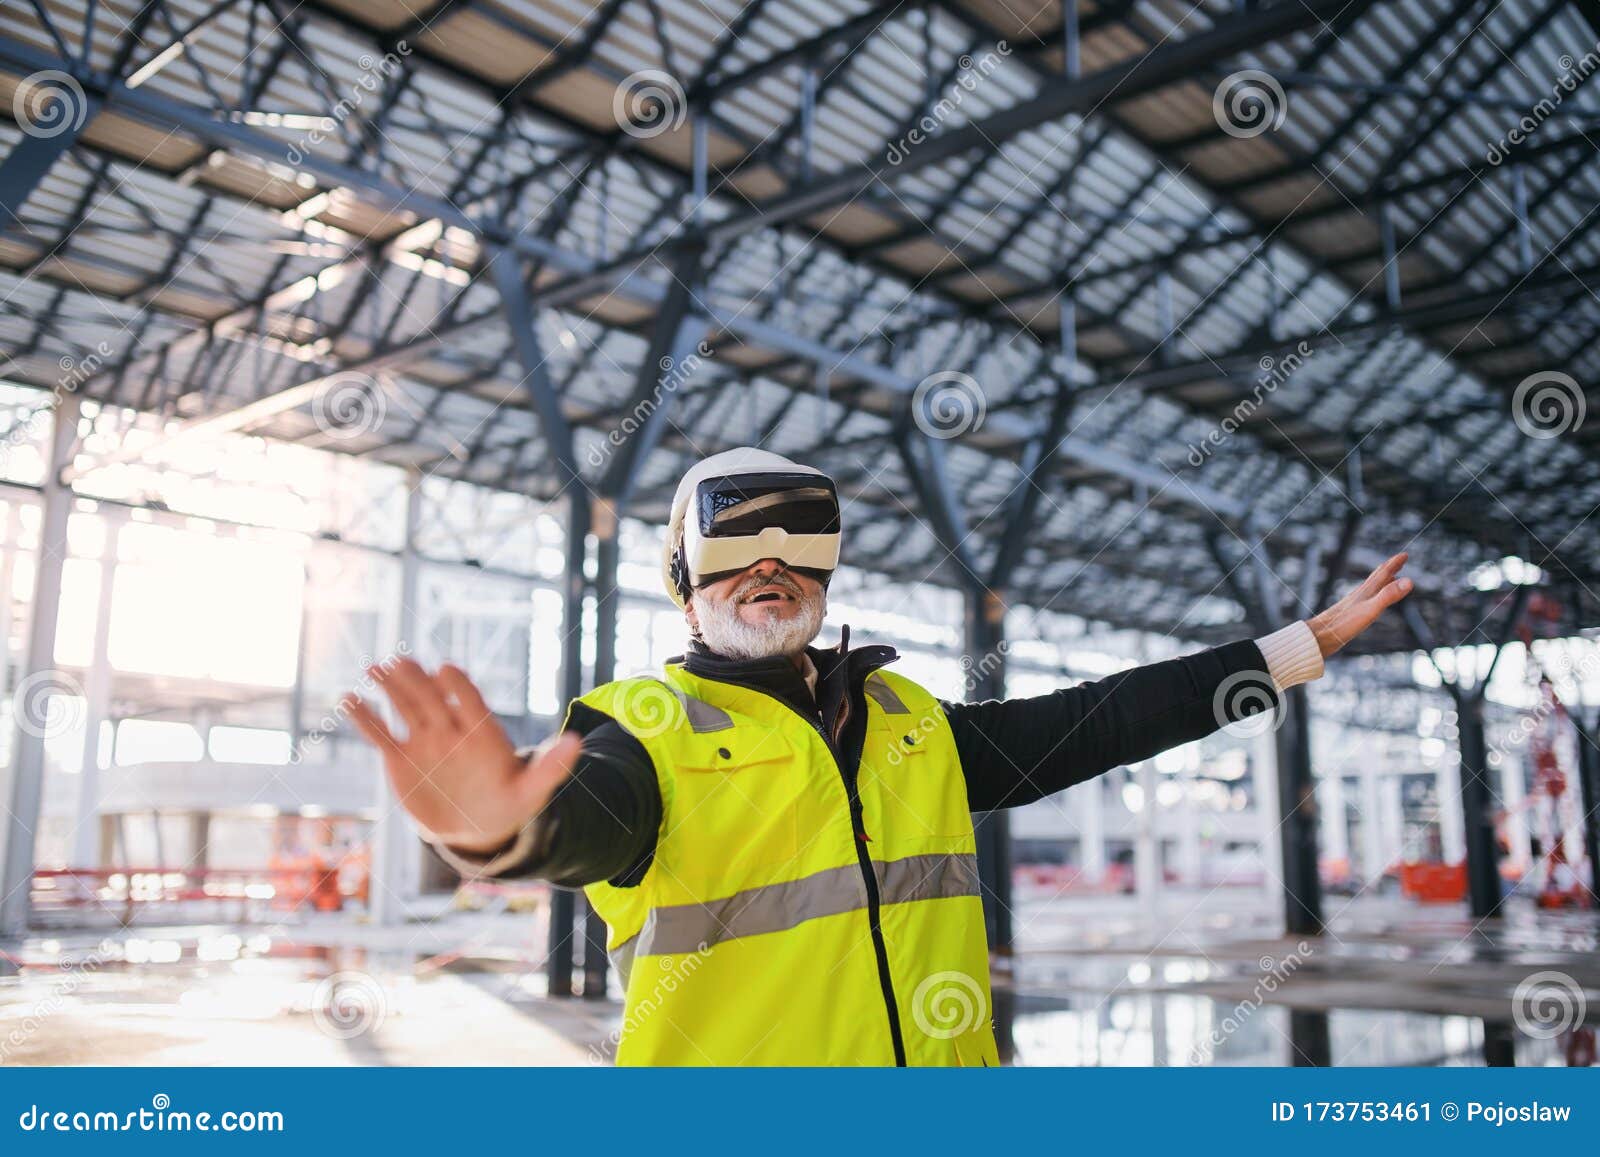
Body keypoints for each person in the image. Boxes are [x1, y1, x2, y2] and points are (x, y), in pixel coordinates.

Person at [344, 447, 1413, 1066]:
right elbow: (580, 821)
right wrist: (492, 825)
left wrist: (1288, 649)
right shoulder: (644, 735)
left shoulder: (915, 727)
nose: (770, 563)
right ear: (683, 581)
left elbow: (1106, 716)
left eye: (798, 541)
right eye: (733, 548)